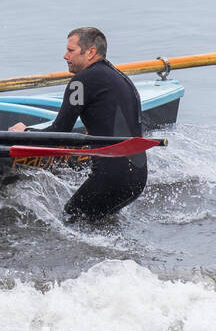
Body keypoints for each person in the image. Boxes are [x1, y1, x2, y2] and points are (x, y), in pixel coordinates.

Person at [11, 27, 146, 220]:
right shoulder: (120, 77)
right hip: (138, 176)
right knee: (96, 224)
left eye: (71, 51)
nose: (65, 56)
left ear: (90, 52)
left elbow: (60, 132)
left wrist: (25, 132)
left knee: (71, 219)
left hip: (112, 176)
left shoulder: (82, 81)